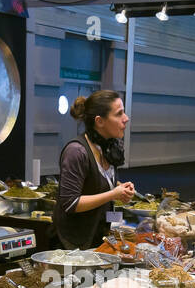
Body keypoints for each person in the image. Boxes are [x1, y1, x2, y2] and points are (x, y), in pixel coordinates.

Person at [54, 91, 136, 250]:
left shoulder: (108, 147)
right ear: (99, 121)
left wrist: (121, 189)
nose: (126, 118)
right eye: (119, 114)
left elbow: (97, 181)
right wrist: (113, 194)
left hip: (99, 237)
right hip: (73, 245)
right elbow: (70, 203)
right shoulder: (76, 151)